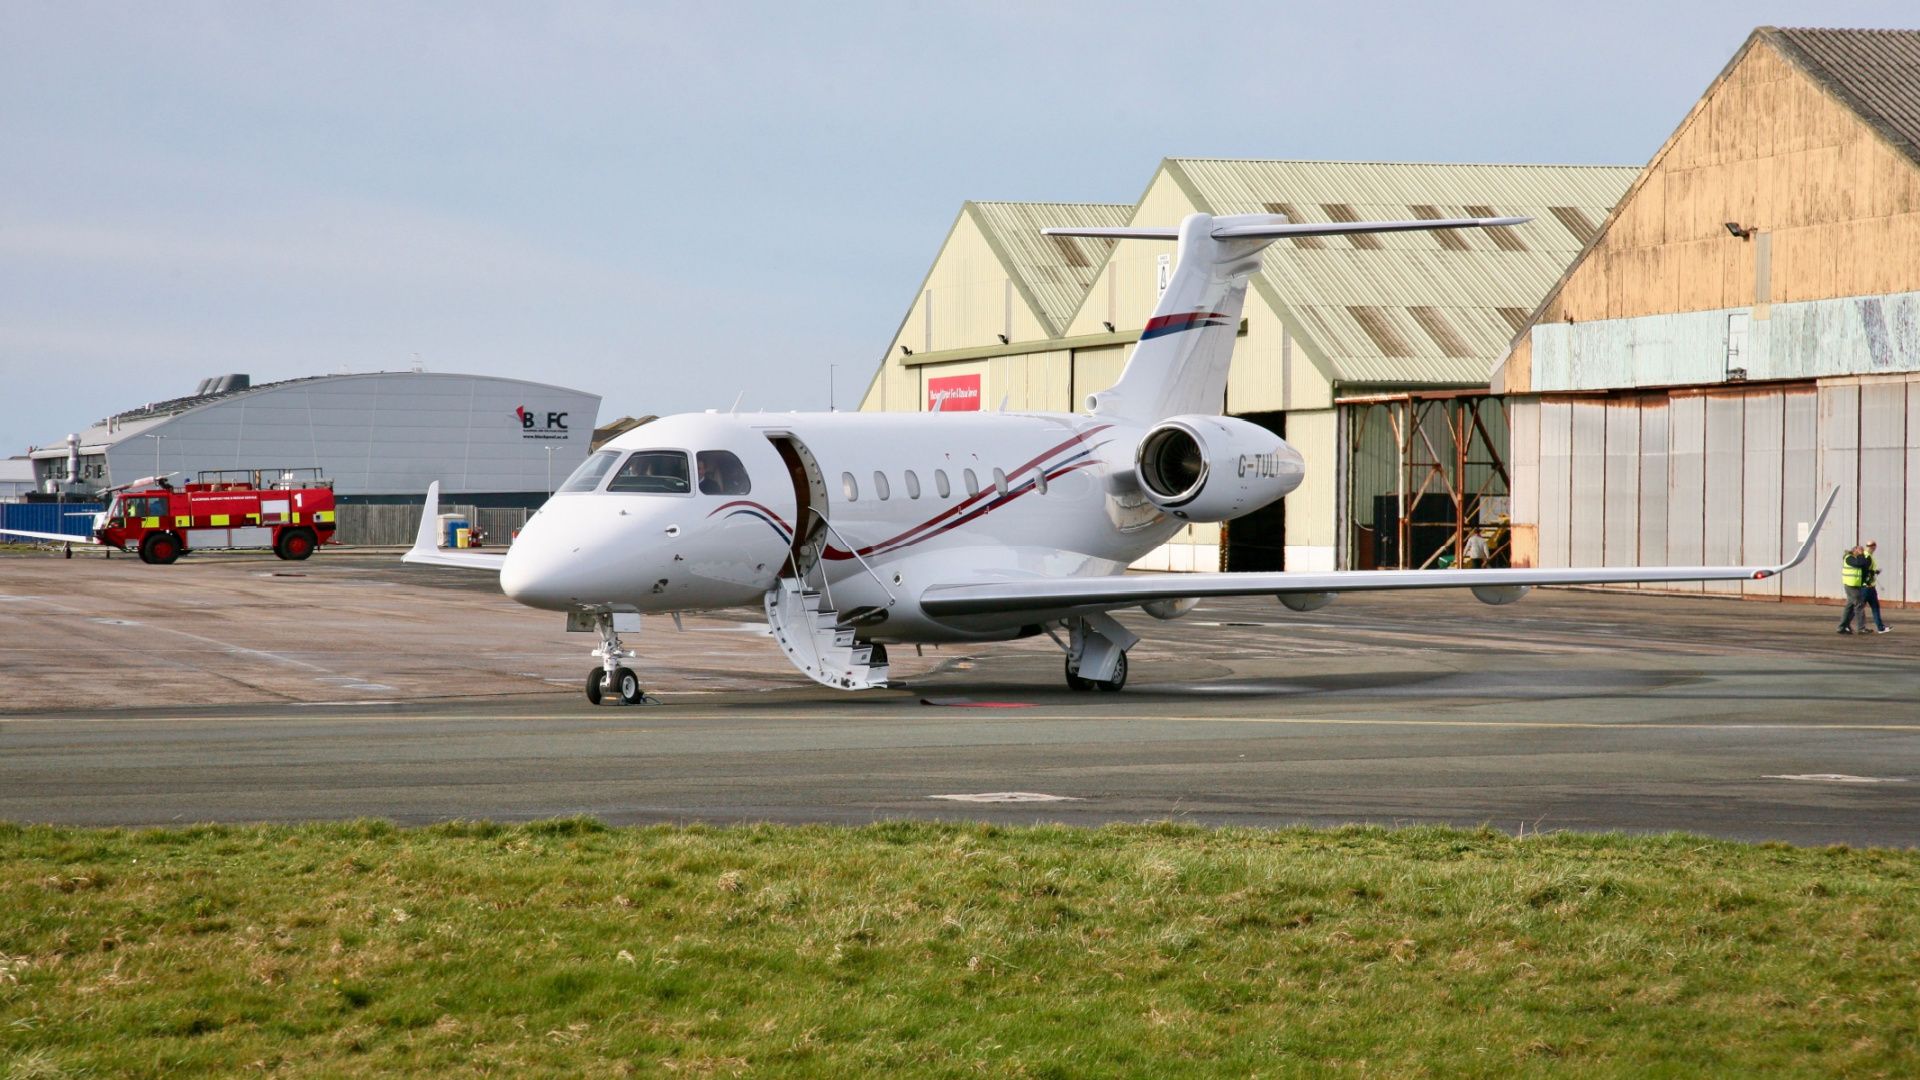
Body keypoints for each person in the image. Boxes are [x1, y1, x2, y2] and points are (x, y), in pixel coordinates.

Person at [1838, 544, 1872, 634]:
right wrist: (1861, 555)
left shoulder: (1858, 558)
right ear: (1854, 550)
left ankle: (1842, 627)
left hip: (1855, 585)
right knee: (1859, 605)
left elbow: (1864, 564)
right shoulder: (1849, 558)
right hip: (1850, 585)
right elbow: (1859, 563)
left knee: (1849, 606)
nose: (1861, 552)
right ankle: (1861, 628)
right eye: (1860, 550)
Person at [1861, 540, 1891, 634]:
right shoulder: (1867, 557)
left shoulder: (1865, 555)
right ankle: (1880, 627)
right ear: (1874, 547)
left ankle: (1880, 627)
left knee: (1860, 607)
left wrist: (1874, 573)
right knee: (1872, 607)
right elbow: (1865, 570)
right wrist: (1873, 574)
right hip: (1868, 587)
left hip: (1868, 586)